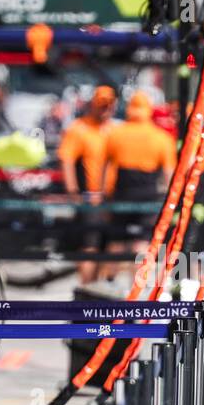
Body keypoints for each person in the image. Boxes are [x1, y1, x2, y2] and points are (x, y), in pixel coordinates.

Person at [102, 91, 176, 274]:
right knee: (142, 243)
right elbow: (168, 175)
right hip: (148, 195)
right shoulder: (162, 138)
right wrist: (169, 202)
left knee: (116, 242)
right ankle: (138, 287)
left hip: (122, 194)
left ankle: (108, 282)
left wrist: (104, 197)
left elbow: (106, 169)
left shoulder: (115, 134)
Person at [58, 85, 116, 282]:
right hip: (89, 197)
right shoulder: (79, 128)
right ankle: (86, 289)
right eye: (101, 105)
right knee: (89, 244)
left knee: (108, 246)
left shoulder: (115, 130)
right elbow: (66, 159)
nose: (104, 109)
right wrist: (73, 192)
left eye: (108, 105)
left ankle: (99, 291)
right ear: (92, 105)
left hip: (111, 200)